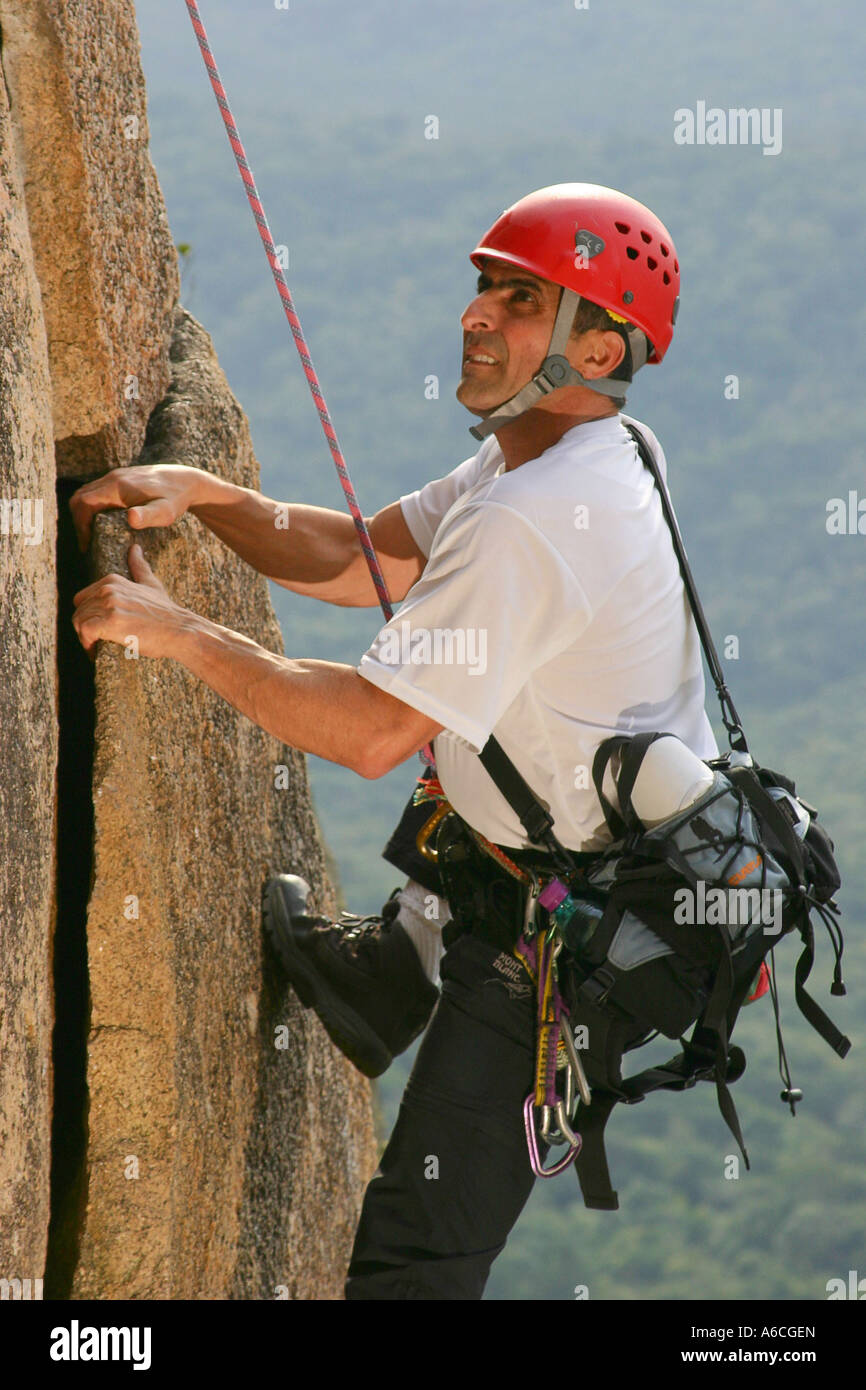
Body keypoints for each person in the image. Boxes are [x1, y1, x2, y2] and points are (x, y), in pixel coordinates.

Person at [70, 183, 718, 1299]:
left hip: (555, 960)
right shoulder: (555, 453)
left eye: (519, 300)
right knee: (464, 753)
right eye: (481, 289)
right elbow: (370, 556)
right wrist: (210, 495)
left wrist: (175, 632)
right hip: (545, 840)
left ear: (596, 344)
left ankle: (420, 965)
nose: (475, 315)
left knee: (414, 1261)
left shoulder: (536, 520)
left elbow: (371, 731)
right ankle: (391, 966)